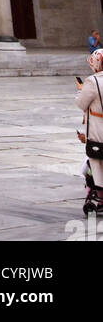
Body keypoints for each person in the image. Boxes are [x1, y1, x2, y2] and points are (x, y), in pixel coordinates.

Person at [76, 49, 103, 215]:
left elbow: (81, 103)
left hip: (98, 131)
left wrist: (80, 89)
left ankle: (99, 198)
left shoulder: (92, 81)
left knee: (96, 163)